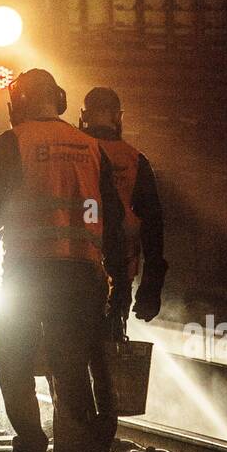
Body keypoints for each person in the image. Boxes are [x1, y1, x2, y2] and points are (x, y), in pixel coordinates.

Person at [0, 68, 125, 452]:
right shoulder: (91, 148)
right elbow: (113, 222)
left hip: (28, 276)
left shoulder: (10, 145)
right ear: (61, 100)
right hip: (82, 278)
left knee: (12, 360)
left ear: (18, 103)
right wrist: (119, 283)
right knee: (71, 369)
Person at [78, 87, 167, 335]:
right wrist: (151, 288)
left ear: (84, 115)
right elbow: (153, 227)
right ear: (119, 116)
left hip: (71, 264)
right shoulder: (136, 160)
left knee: (66, 351)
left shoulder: (73, 154)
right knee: (108, 349)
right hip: (119, 272)